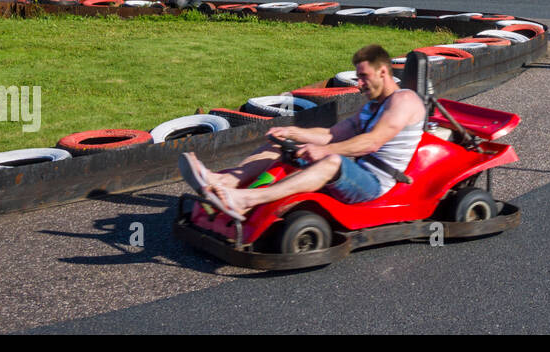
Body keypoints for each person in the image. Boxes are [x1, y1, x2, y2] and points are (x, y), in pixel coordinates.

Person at [180, 45, 426, 221]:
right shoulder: (371, 106)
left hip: (375, 183)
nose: (358, 84)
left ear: (383, 72)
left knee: (330, 160)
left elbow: (371, 142)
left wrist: (324, 151)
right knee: (281, 143)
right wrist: (293, 132)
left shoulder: (404, 101)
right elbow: (331, 135)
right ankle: (224, 181)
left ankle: (247, 200)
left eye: (363, 77)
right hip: (357, 171)